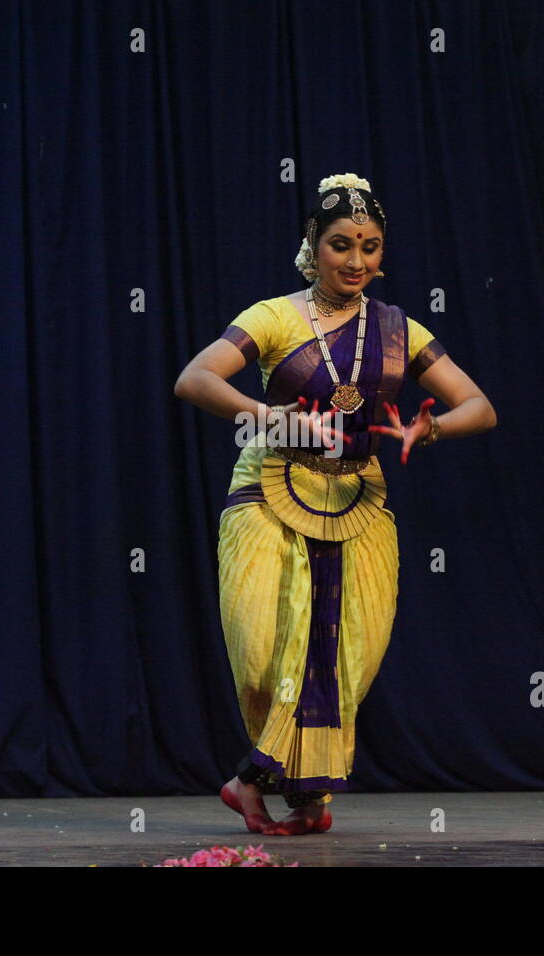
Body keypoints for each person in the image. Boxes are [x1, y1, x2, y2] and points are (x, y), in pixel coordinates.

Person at [173, 173, 496, 835]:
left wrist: (423, 428)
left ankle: (284, 791)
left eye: (371, 247)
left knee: (348, 657)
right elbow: (195, 378)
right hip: (267, 491)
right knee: (264, 653)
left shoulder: (398, 330)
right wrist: (271, 416)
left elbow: (480, 408)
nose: (357, 261)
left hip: (358, 501)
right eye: (342, 245)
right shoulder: (273, 318)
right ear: (313, 246)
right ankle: (275, 784)